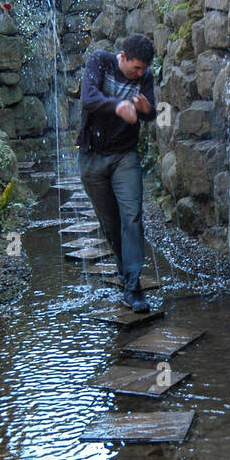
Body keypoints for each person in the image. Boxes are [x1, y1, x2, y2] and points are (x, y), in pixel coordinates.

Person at [78, 34, 157, 312]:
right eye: (135, 68)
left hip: (125, 154)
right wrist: (117, 106)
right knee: (110, 223)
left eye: (142, 70)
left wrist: (148, 111)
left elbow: (149, 113)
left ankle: (134, 288)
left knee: (132, 215)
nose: (139, 74)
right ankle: (126, 274)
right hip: (92, 156)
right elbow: (88, 98)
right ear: (122, 57)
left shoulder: (145, 76)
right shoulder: (99, 61)